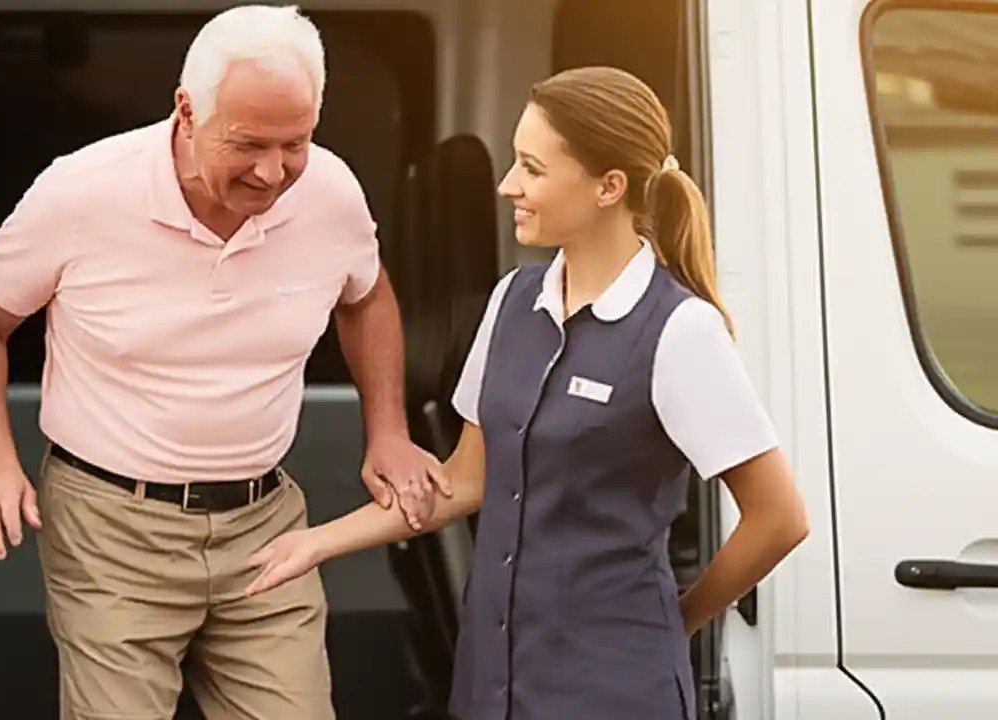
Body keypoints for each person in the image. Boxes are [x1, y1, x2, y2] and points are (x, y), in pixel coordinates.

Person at [242, 66, 811, 719]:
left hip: (613, 692)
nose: (508, 185)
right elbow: (463, 483)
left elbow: (779, 518)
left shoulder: (679, 331)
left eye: (532, 168)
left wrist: (674, 622)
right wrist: (315, 543)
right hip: (493, 687)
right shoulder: (513, 302)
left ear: (609, 187)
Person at [0, 5, 447, 719]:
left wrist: (387, 430)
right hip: (109, 524)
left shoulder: (330, 190)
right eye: (249, 144)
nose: (273, 172)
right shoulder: (81, 190)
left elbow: (366, 298)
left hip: (265, 518)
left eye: (295, 142)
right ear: (186, 111)